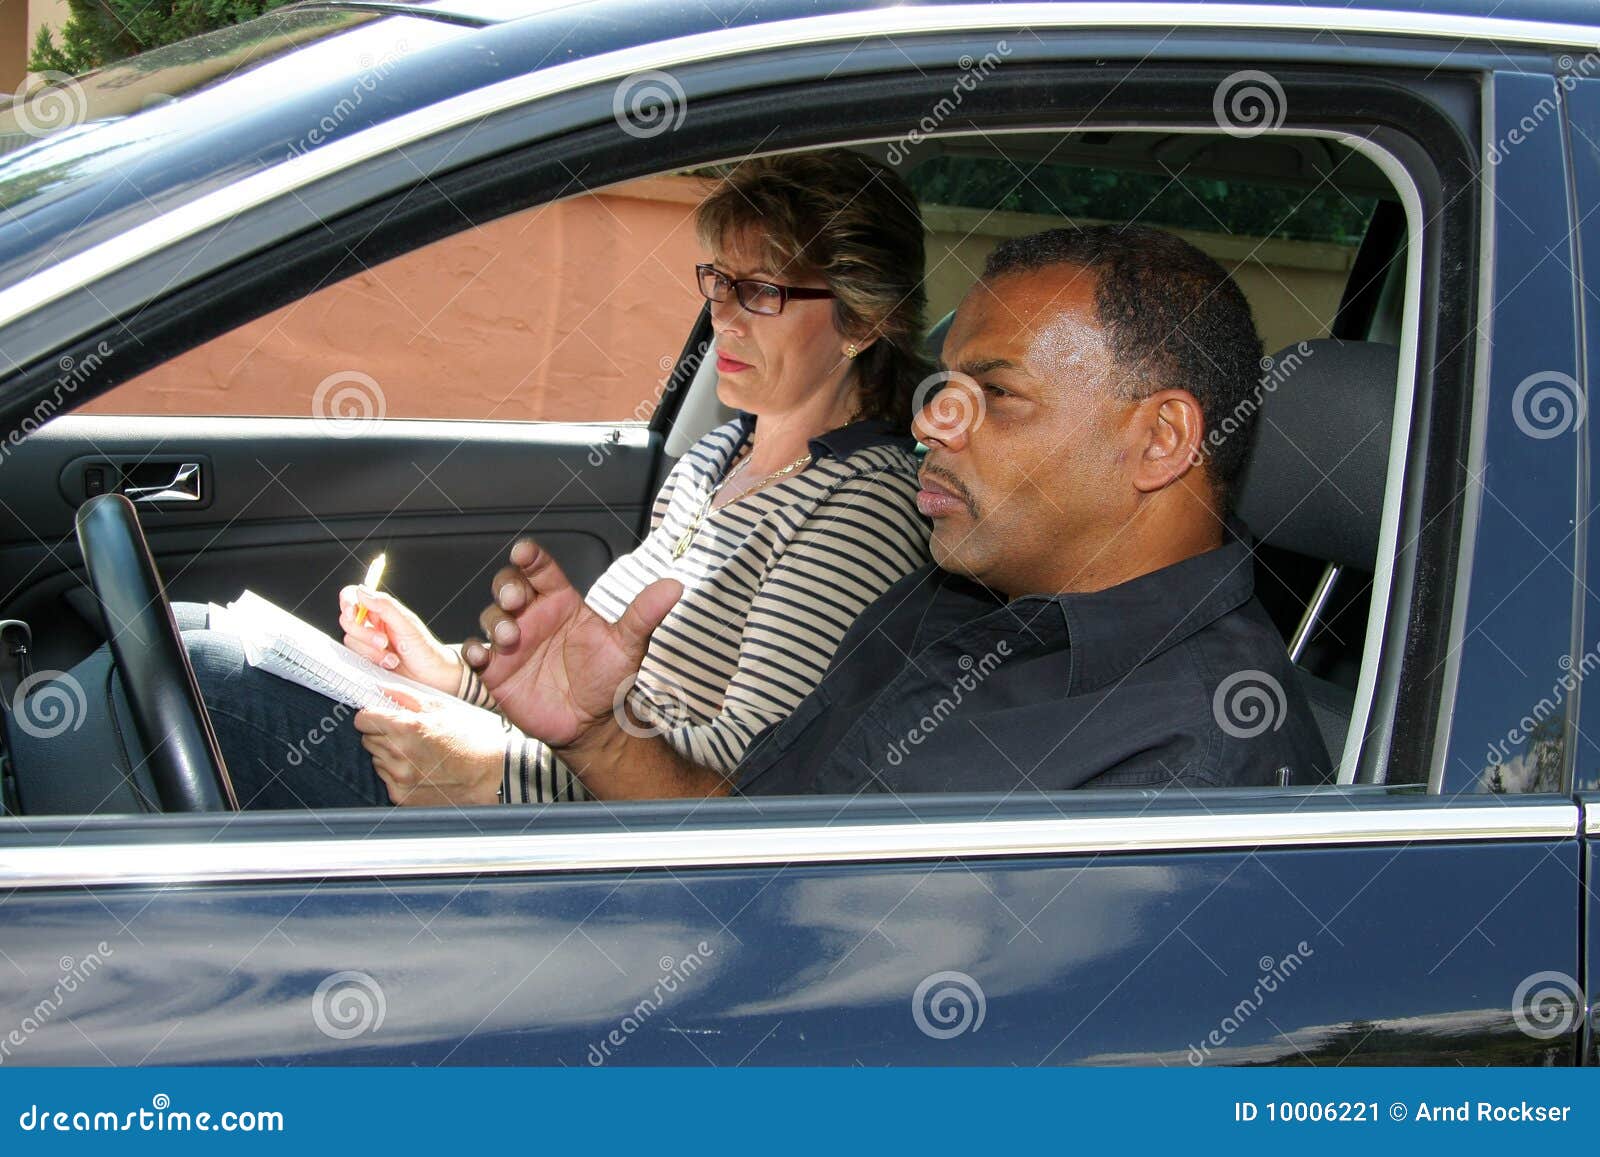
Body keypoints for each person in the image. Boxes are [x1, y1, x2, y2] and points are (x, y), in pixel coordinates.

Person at [117, 149, 935, 808]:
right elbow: (579, 700)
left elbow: (741, 788)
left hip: (577, 845)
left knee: (207, 685)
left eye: (759, 291)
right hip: (534, 774)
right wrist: (444, 671)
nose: (722, 312)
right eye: (717, 280)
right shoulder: (713, 461)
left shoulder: (860, 508)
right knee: (190, 636)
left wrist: (497, 774)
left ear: (864, 320)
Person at [454, 224, 1333, 799]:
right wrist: (600, 738)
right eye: (944, 384)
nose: (928, 420)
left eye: (995, 392)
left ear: (1160, 439)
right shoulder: (941, 598)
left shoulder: (1203, 761)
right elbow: (748, 831)